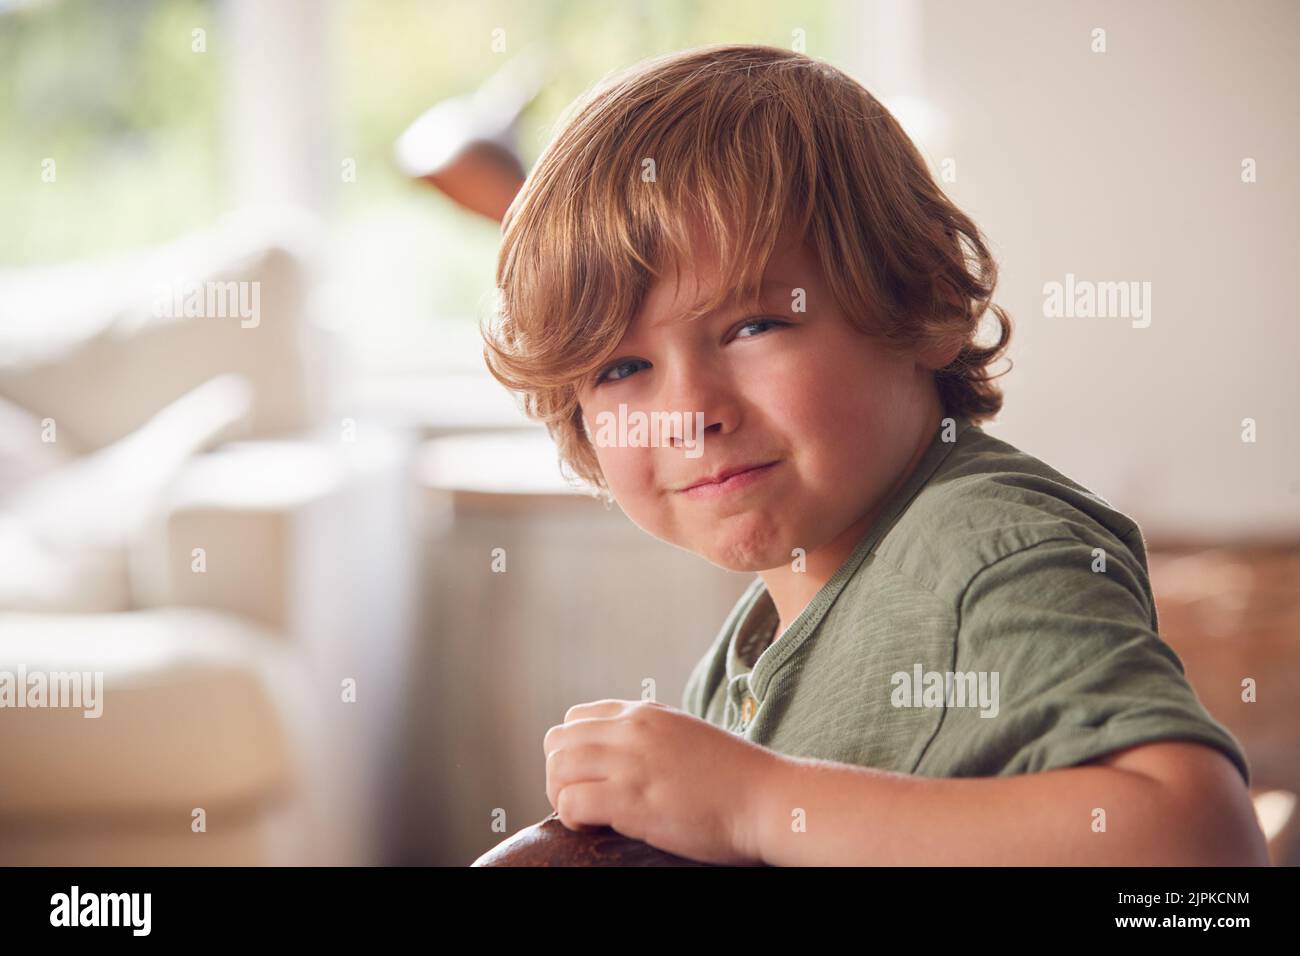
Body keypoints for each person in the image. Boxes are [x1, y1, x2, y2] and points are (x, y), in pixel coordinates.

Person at [481, 43, 1267, 866]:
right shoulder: (749, 651)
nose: (689, 414)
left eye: (754, 326)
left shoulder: (980, 554)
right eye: (621, 369)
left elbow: (1204, 851)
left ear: (920, 302)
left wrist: (754, 803)